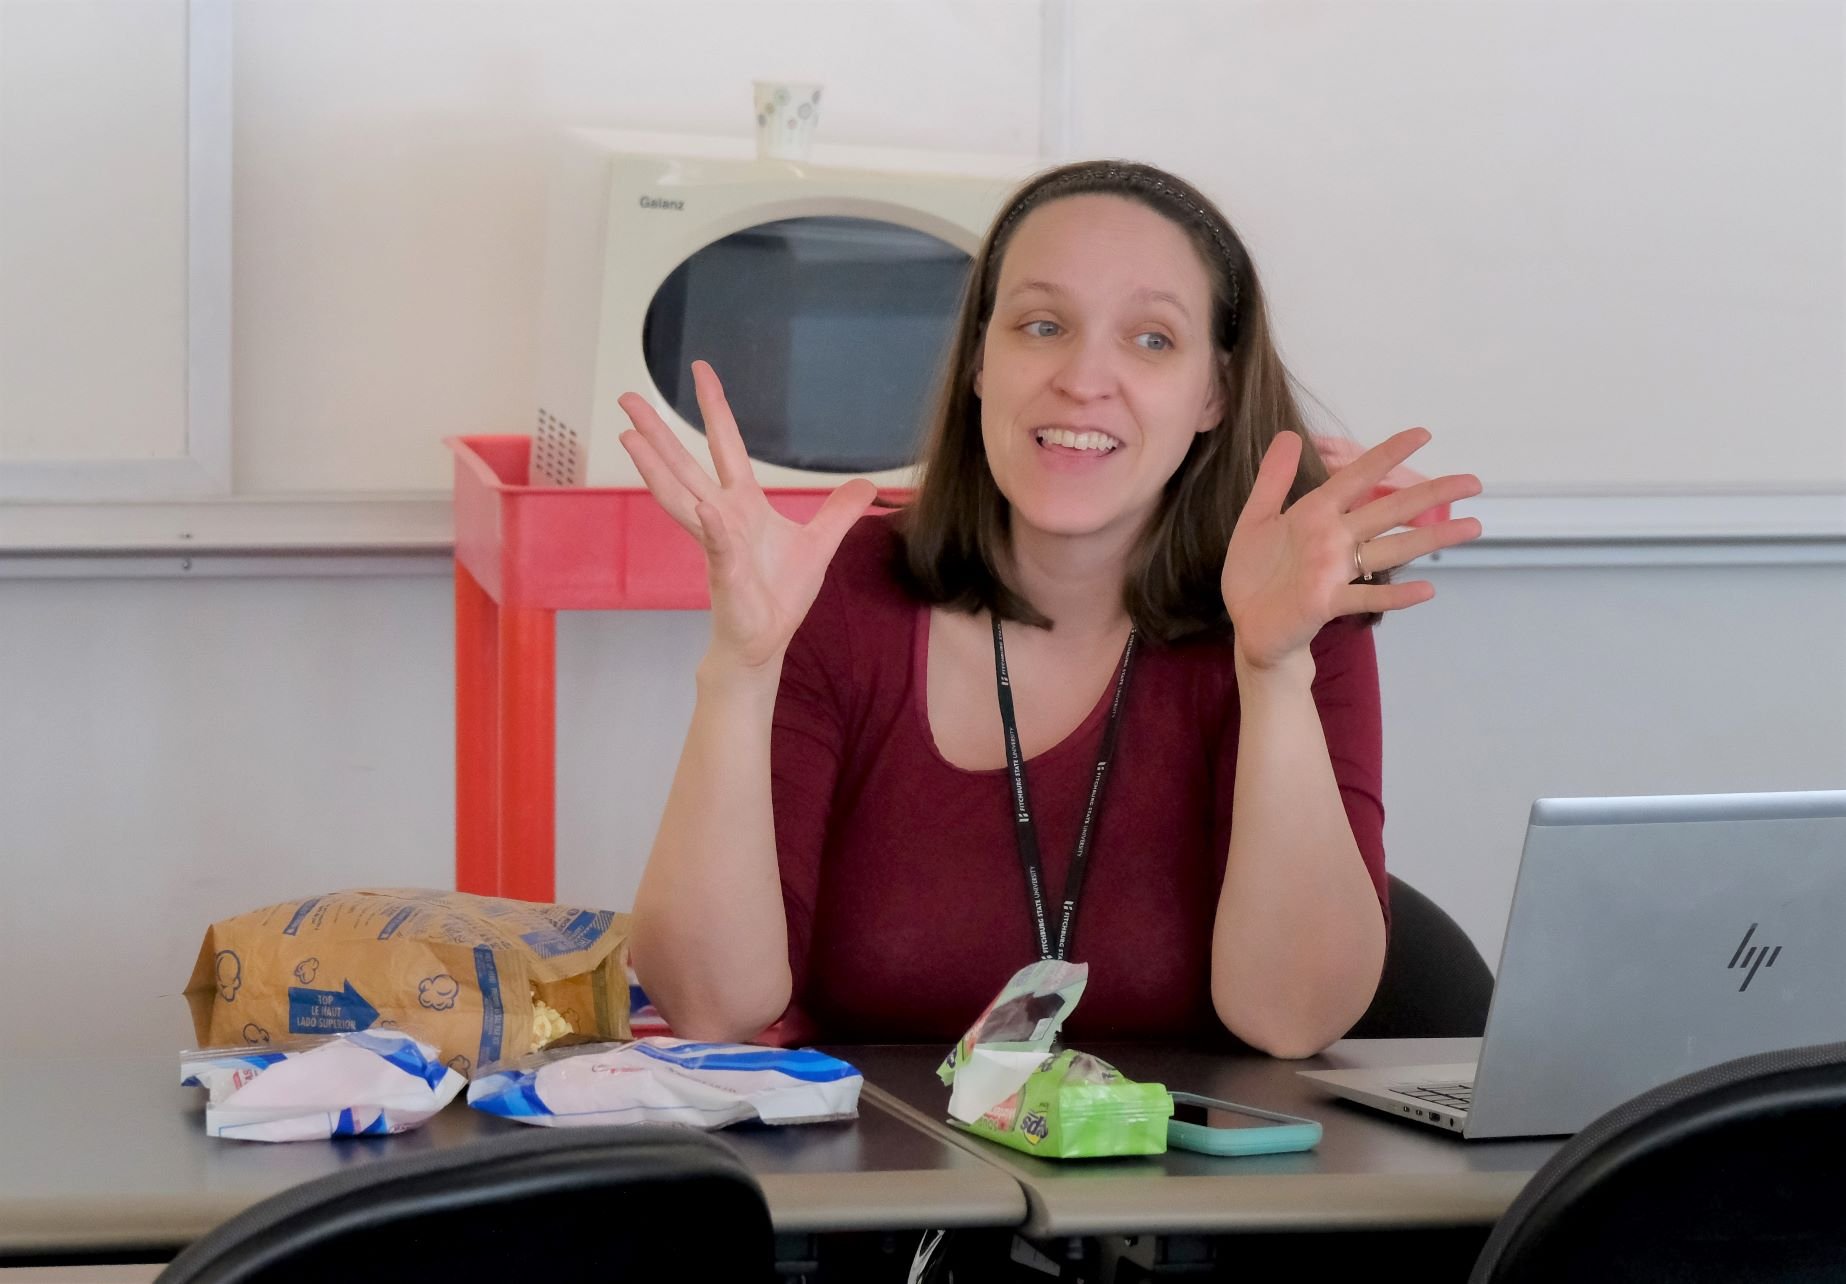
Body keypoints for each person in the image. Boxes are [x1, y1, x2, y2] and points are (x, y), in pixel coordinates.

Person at [615, 159, 1482, 1057]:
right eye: (1042, 325)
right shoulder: (840, 588)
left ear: (1214, 391)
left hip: (1189, 1192)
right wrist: (740, 668)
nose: (1084, 378)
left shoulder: (1296, 604)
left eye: (1152, 340)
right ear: (981, 361)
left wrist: (1273, 671)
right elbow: (712, 1009)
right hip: (887, 1185)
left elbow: (1293, 1018)